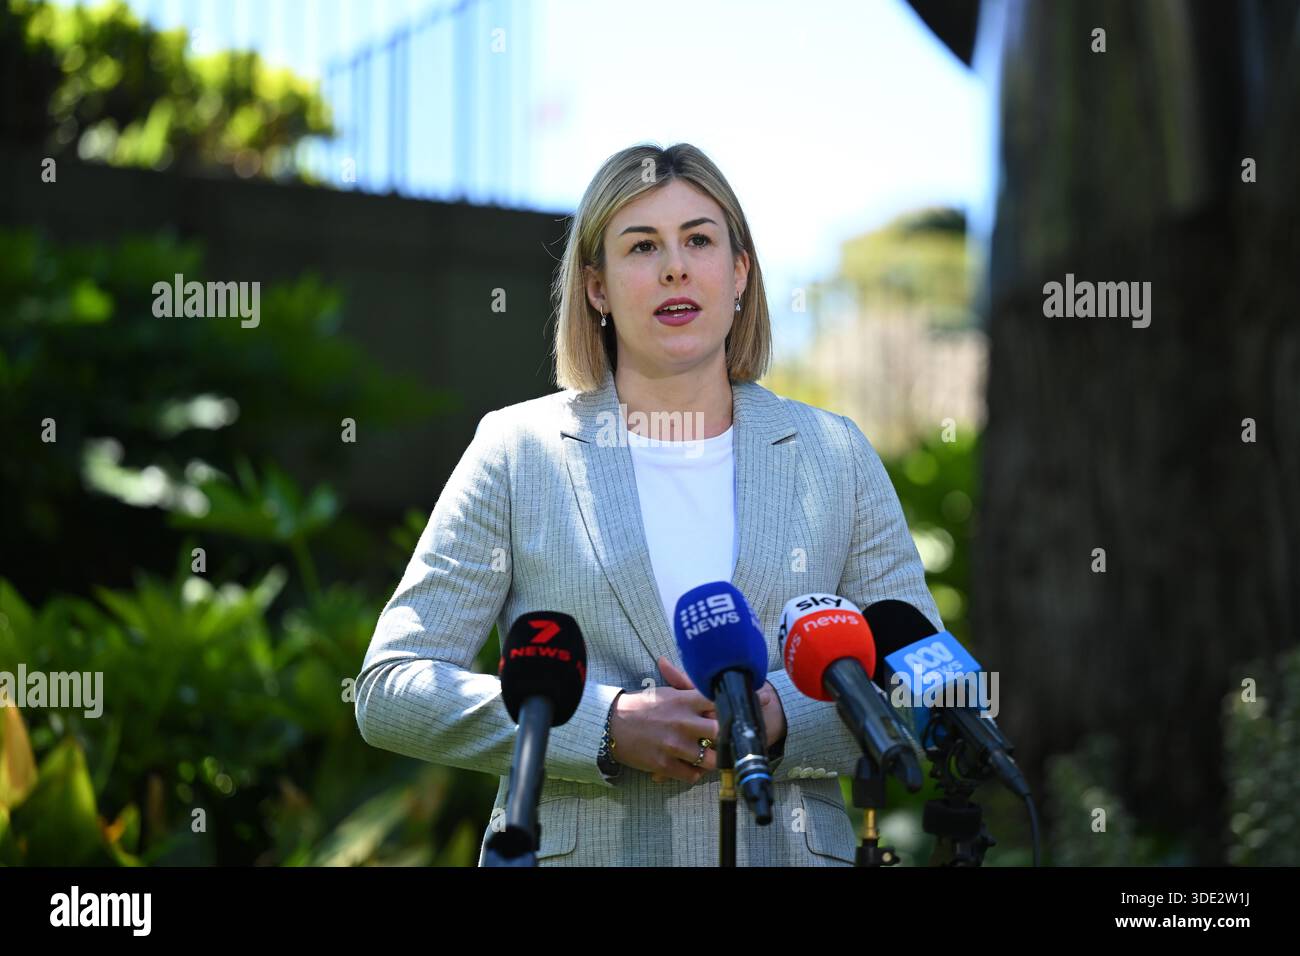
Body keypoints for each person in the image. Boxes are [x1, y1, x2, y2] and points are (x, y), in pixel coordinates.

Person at [354, 142, 944, 866]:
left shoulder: (836, 453)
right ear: (596, 288)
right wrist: (603, 724)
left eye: (699, 240)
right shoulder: (516, 451)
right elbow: (391, 687)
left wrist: (779, 717)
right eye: (642, 246)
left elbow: (927, 686)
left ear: (740, 272)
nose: (675, 267)